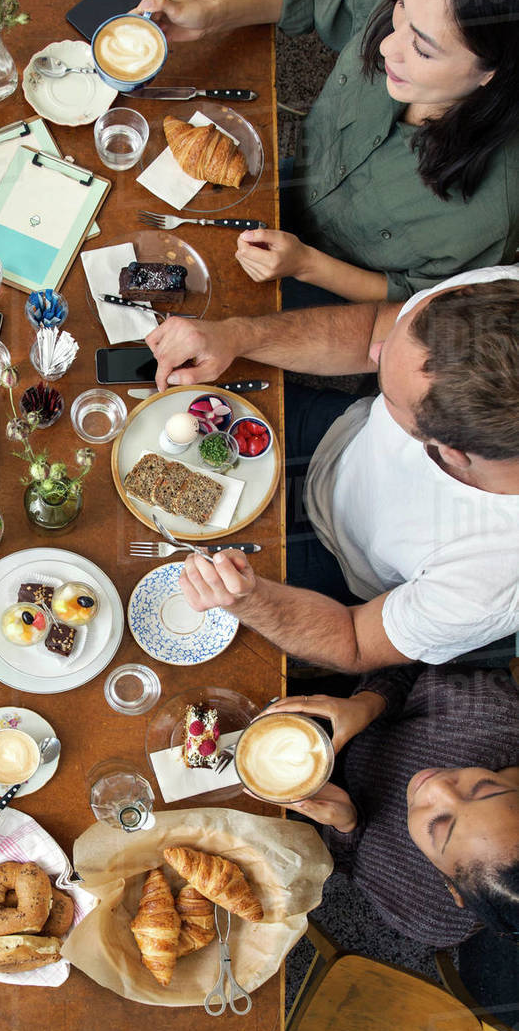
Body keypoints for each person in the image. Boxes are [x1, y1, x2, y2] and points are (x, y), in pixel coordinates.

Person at [136, 0, 519, 305]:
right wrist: (211, 14)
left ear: (496, 69)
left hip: (332, 285)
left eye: (423, 49)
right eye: (400, 7)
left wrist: (305, 265)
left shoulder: (493, 212)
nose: (388, 46)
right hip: (283, 180)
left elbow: (414, 302)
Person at [147, 264, 519, 673]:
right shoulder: (490, 303)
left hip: (335, 571)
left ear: (450, 453)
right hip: (335, 435)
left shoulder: (490, 580)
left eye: (389, 393)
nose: (377, 354)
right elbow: (371, 333)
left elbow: (357, 641)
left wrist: (249, 600)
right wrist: (237, 336)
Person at [254, 665, 519, 947]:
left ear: (453, 889)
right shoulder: (497, 715)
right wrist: (367, 704)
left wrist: (346, 826)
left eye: (438, 827)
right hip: (352, 706)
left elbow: (344, 867)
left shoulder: (430, 916)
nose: (436, 786)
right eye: (484, 789)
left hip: (315, 805)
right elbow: (406, 664)